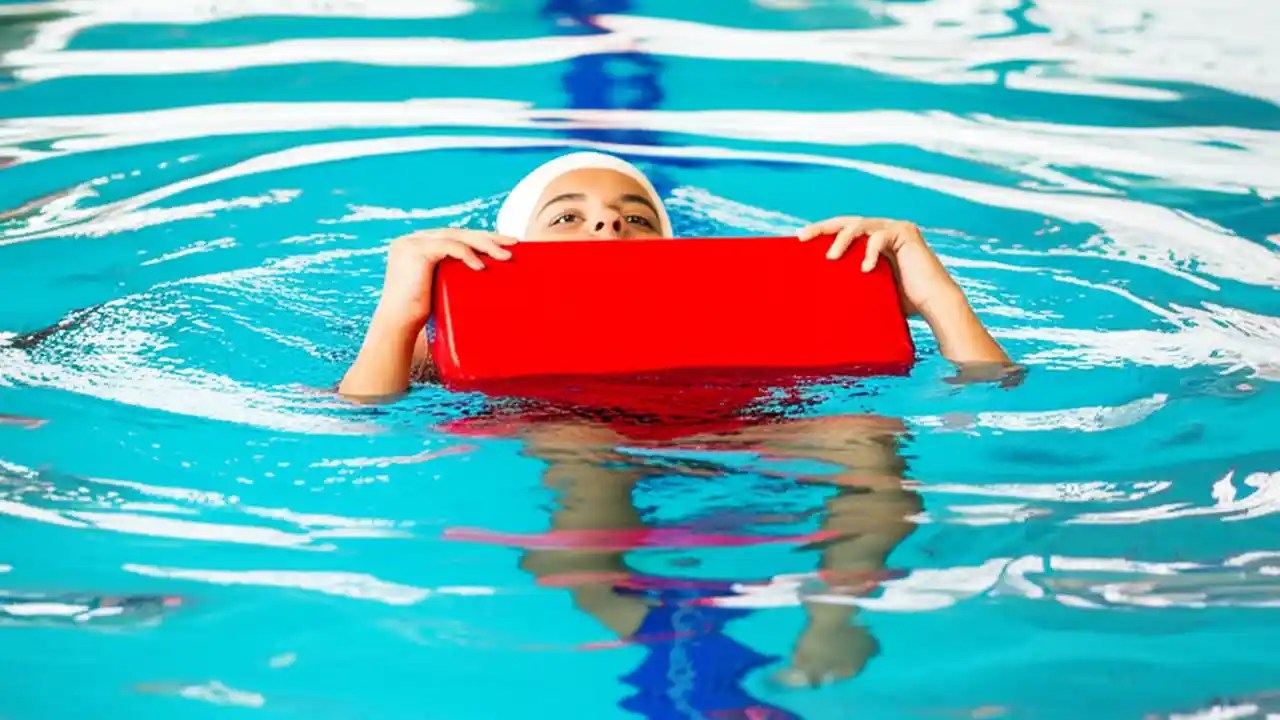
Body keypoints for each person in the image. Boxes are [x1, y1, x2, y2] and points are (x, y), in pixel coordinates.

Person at [337, 152, 1011, 398]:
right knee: (577, 442)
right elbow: (362, 415)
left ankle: (844, 592)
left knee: (865, 434)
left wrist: (934, 295)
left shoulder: (747, 314)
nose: (607, 226)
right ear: (509, 245)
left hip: (746, 429)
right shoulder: (450, 337)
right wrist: (399, 311)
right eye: (567, 217)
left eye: (635, 217)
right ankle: (603, 586)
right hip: (572, 430)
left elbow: (993, 388)